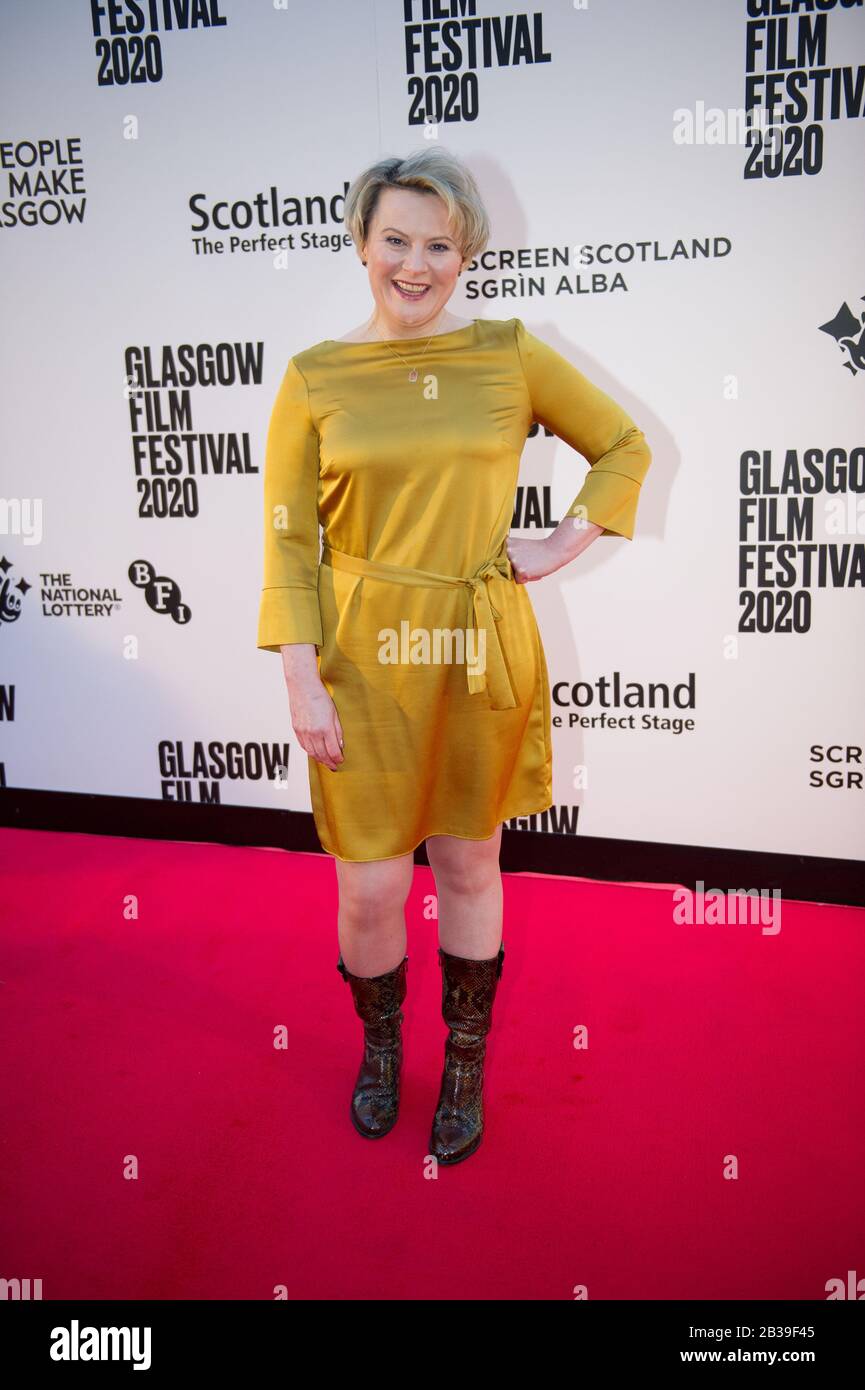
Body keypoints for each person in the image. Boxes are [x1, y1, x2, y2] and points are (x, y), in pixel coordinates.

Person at [257, 147, 652, 1166]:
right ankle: (382, 1048)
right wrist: (299, 671)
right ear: (361, 244)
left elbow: (622, 446)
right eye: (396, 240)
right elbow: (291, 538)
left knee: (470, 862)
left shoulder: (509, 352)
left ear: (467, 250)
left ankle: (463, 1060)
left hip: (477, 646)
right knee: (368, 886)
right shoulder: (313, 377)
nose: (417, 264)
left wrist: (562, 544)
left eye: (440, 244)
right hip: (361, 657)